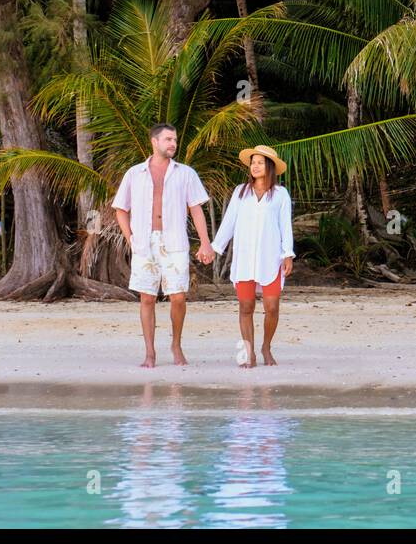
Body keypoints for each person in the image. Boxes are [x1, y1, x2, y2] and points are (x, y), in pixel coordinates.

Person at [112, 123, 213, 367]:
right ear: (154, 142)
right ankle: (150, 353)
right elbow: (120, 209)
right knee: (147, 298)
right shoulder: (134, 173)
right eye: (168, 139)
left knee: (178, 297)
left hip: (175, 241)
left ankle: (176, 344)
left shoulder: (185, 173)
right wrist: (131, 237)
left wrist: (205, 243)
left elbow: (196, 209)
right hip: (144, 243)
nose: (173, 144)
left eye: (175, 140)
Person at [211, 145, 295, 368]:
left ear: (270, 166)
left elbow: (285, 226)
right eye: (252, 162)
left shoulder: (280, 194)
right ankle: (249, 353)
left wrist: (288, 254)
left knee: (272, 306)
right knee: (246, 306)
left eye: (260, 162)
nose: (255, 166)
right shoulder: (241, 191)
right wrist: (214, 248)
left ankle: (266, 346)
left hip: (271, 257)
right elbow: (228, 222)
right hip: (245, 258)